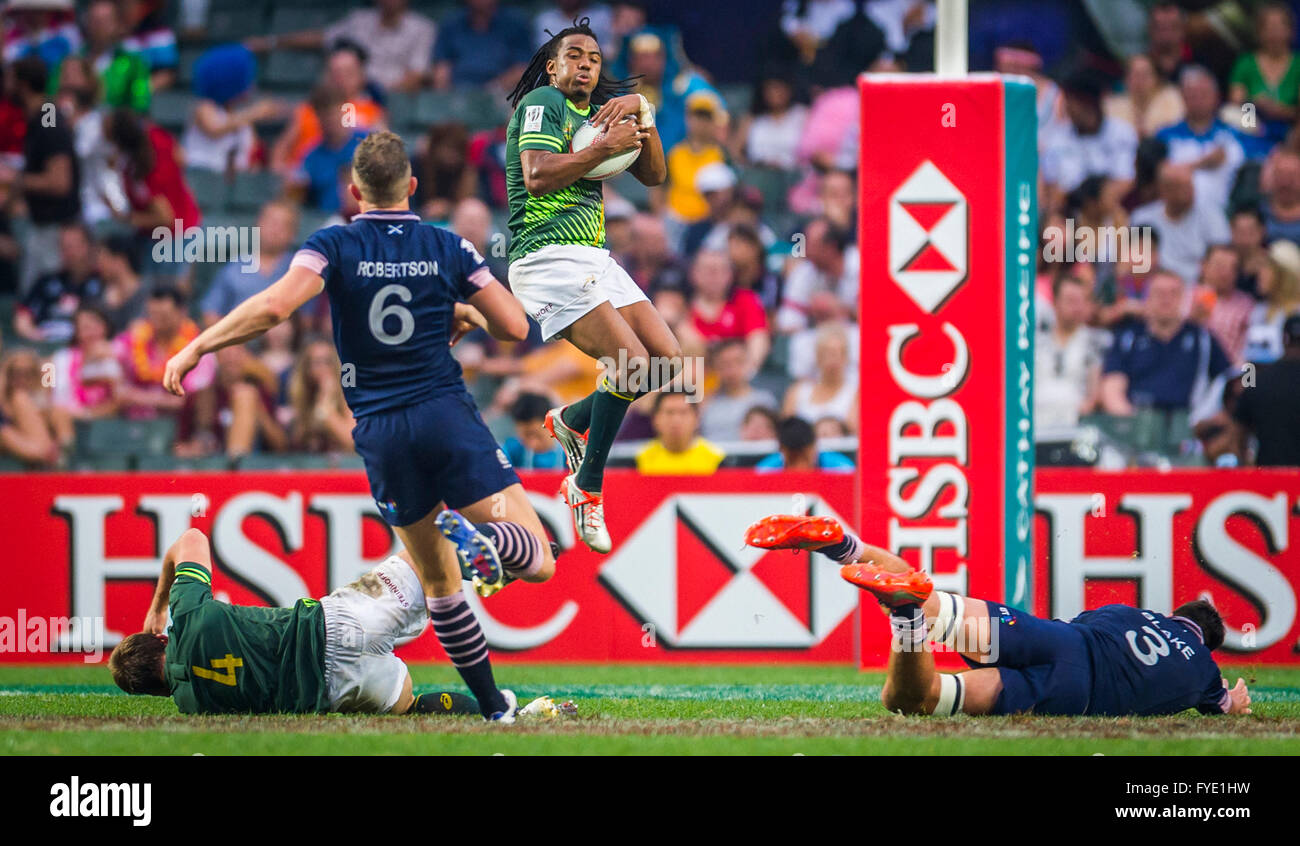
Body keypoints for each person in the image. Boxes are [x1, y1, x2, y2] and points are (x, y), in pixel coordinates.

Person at [162, 130, 556, 722]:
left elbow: (273, 308)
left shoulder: (332, 245)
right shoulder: (446, 245)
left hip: (379, 429)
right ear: (413, 186)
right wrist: (468, 310)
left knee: (441, 586)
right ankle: (486, 540)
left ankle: (495, 706)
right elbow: (516, 328)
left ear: (354, 192)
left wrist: (199, 346)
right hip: (444, 412)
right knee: (538, 559)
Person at [745, 514, 1252, 717]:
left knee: (932, 599)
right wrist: (1234, 698)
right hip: (1076, 692)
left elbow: (1084, 625)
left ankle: (845, 546)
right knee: (915, 701)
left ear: (1170, 613)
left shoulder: (1132, 611)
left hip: (1057, 640)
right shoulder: (1204, 672)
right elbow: (1229, 707)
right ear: (1205, 644)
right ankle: (905, 617)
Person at [504, 19, 675, 553]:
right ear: (554, 66)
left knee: (667, 361)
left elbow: (653, 177)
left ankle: (573, 420)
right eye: (573, 55)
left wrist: (643, 116)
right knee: (629, 361)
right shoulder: (542, 101)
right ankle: (587, 485)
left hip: (592, 257)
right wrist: (606, 149)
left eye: (594, 59)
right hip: (544, 254)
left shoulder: (602, 116)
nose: (585, 64)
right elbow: (537, 176)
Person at [108, 527, 566, 718]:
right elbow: (191, 536)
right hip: (335, 623)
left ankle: (510, 714)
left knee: (408, 708)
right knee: (424, 558)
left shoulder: (191, 707)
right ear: (157, 638)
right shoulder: (186, 617)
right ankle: (518, 558)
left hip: (333, 690)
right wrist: (161, 601)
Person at [1100, 270, 1233, 417]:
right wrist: (1134, 423)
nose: (1166, 299)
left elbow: (1227, 382)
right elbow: (1112, 388)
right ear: (1147, 298)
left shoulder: (1203, 339)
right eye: (1159, 293)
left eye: (1173, 293)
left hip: (1187, 422)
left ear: (1183, 298)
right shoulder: (1128, 337)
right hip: (1137, 419)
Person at [2, 56, 80, 295]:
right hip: (42, 227)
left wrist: (11, 178)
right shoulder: (39, 116)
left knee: (41, 298)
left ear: (23, 84)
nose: (5, 85)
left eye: (9, 79)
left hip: (54, 232)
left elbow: (59, 182)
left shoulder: (48, 118)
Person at [1034, 274, 1105, 428]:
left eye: (1081, 301)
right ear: (1055, 303)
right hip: (1035, 421)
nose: (1077, 307)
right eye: (1071, 300)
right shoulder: (1034, 342)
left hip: (1075, 422)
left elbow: (1095, 393)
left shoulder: (1096, 342)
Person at [1233, 314, 1300, 466]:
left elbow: (1238, 434)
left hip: (1268, 479)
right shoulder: (1251, 379)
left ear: (1284, 339)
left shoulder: (1257, 382)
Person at [698, 338, 776, 442]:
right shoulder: (705, 404)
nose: (732, 369)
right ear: (716, 368)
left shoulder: (765, 401)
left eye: (739, 362)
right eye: (725, 364)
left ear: (749, 363)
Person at [635, 390, 724, 475]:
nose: (676, 420)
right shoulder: (639, 460)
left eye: (683, 412)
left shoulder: (717, 460)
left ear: (697, 418)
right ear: (655, 419)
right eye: (669, 413)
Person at [755, 414, 853, 472]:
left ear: (814, 447)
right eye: (793, 459)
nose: (800, 468)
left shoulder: (841, 470)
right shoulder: (765, 471)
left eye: (804, 458)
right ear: (782, 451)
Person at [502, 391, 567, 470]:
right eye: (525, 436)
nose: (533, 444)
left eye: (537, 435)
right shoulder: (510, 451)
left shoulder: (572, 453)